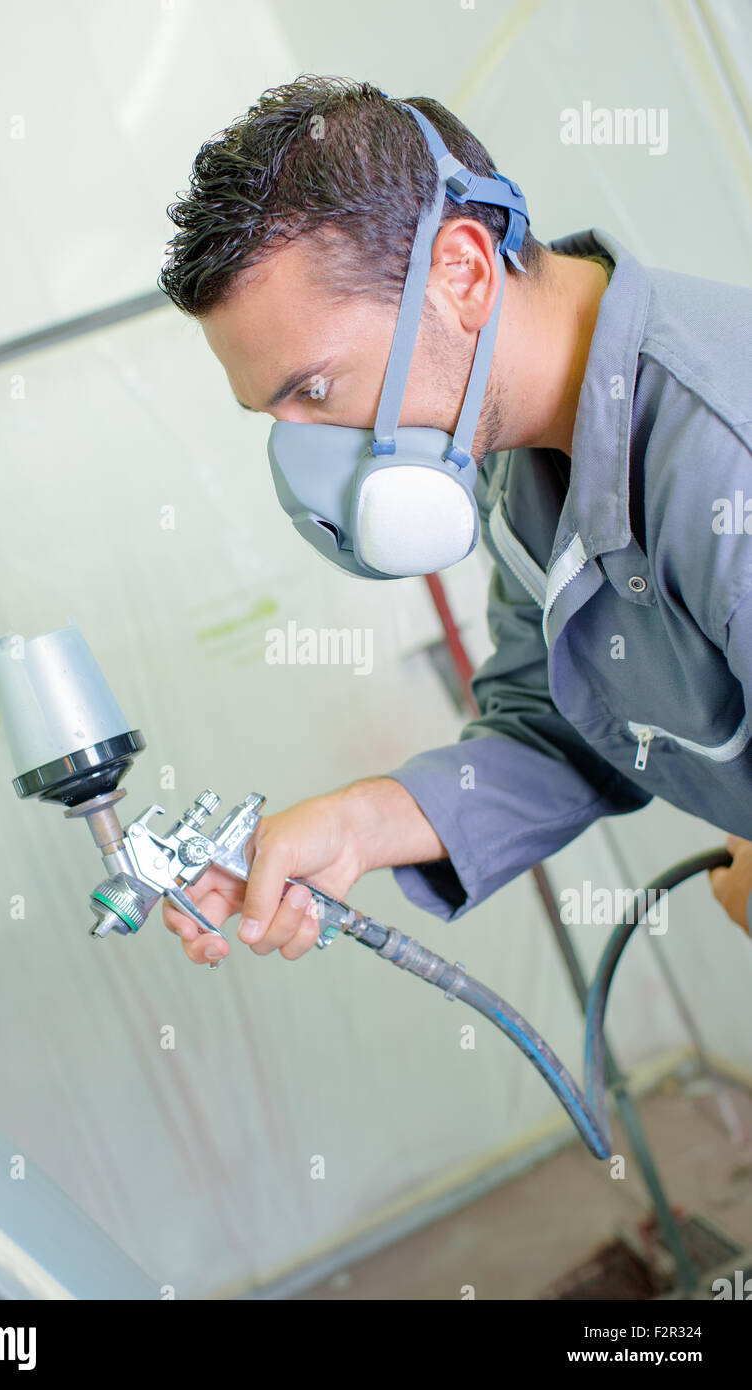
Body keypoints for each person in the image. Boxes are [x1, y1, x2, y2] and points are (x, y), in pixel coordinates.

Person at [156, 76, 752, 965]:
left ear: (462, 273)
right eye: (278, 421)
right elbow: (562, 723)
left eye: (316, 390)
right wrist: (356, 825)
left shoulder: (720, 453)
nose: (314, 462)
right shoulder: (513, 452)